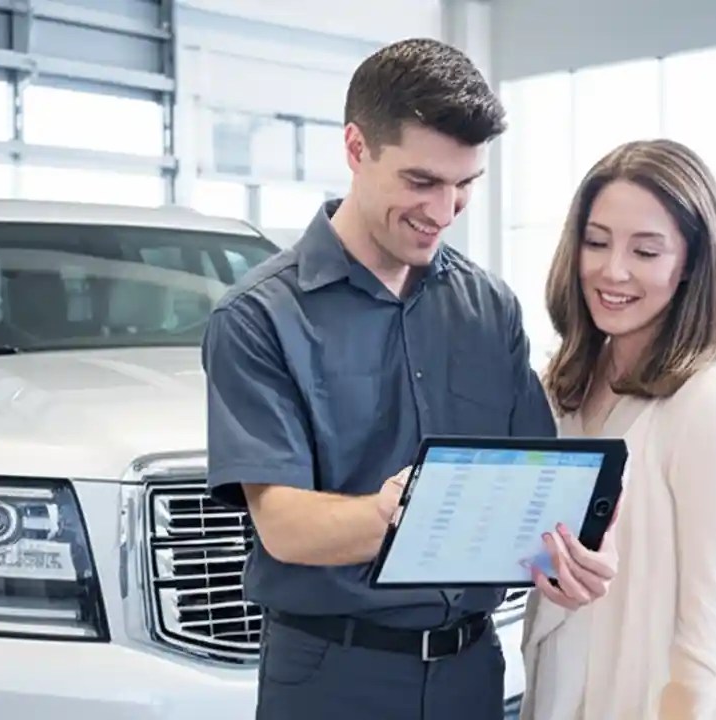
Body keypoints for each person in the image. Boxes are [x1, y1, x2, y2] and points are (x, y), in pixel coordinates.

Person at [201, 38, 618, 720]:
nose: (445, 210)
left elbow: (535, 485)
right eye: (422, 181)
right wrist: (391, 514)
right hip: (332, 677)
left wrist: (564, 554)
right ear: (357, 148)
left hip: (471, 670)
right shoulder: (258, 319)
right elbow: (284, 526)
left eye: (466, 185)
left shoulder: (490, 307)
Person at [519, 139, 716, 720]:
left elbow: (706, 640)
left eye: (646, 251)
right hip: (563, 685)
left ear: (691, 262)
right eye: (596, 242)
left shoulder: (710, 403)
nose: (612, 271)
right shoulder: (562, 385)